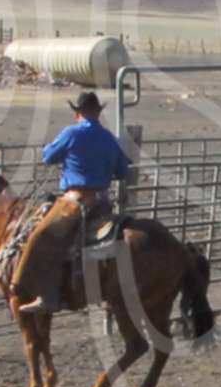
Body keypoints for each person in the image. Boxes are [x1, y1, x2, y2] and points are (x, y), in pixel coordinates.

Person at [19, 90, 137, 311]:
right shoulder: (109, 138)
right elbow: (122, 171)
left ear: (78, 113)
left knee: (41, 236)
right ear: (97, 113)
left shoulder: (71, 133)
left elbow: (48, 157)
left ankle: (47, 294)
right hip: (101, 202)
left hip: (74, 201)